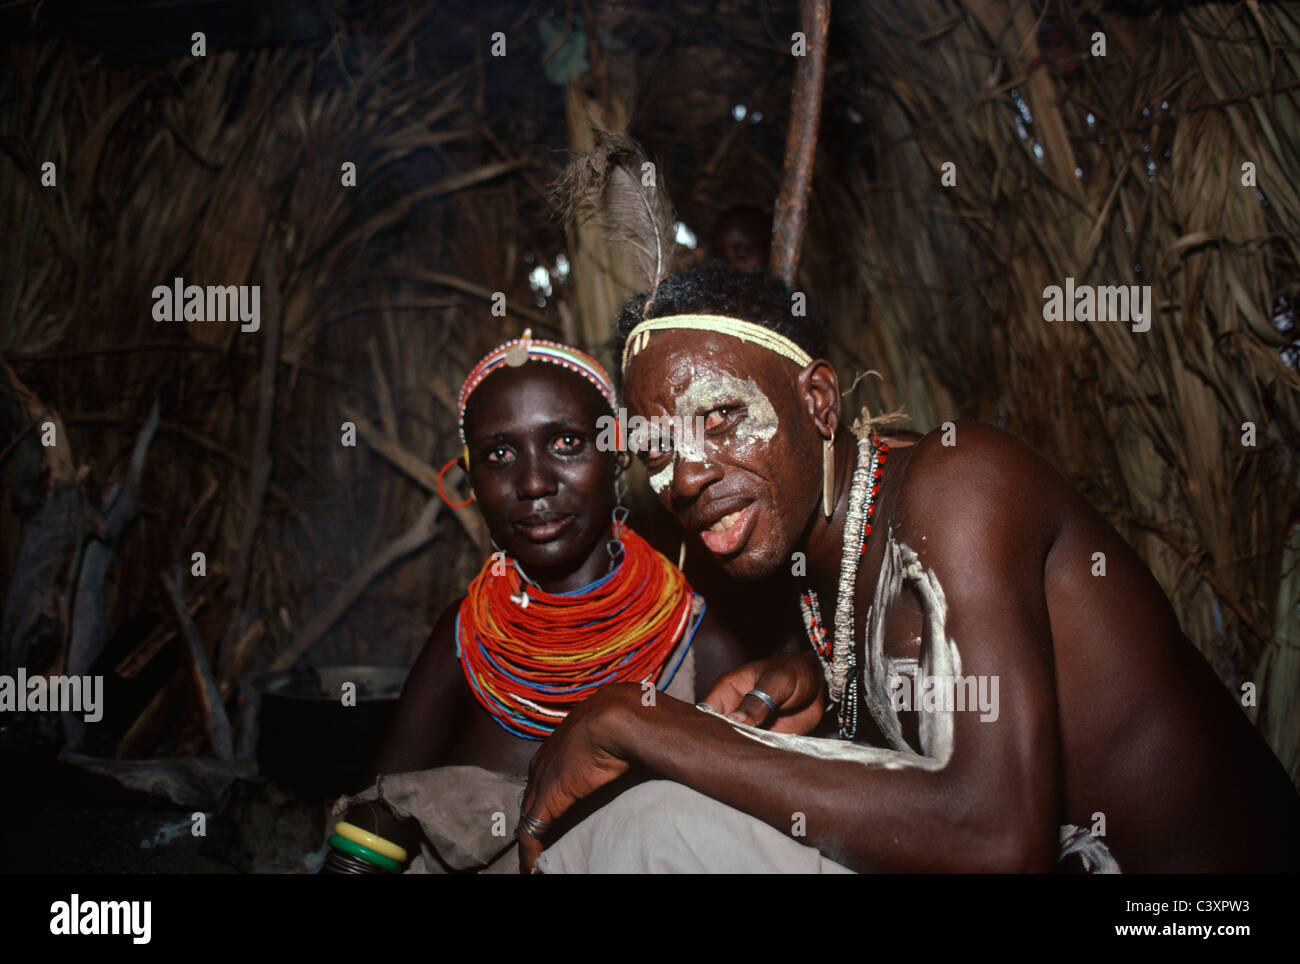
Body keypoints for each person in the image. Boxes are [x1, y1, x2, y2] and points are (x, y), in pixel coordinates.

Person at [517, 262, 1300, 873]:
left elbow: (997, 842)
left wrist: (645, 723)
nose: (684, 477)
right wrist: (818, 696)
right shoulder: (820, 571)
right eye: (656, 447)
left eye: (719, 418)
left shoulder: (961, 483)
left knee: (658, 830)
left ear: (819, 401)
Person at [323, 330, 750, 873]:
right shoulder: (465, 636)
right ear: (471, 477)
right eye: (499, 453)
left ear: (617, 453)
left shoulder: (699, 645)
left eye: (566, 443)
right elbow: (375, 817)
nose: (533, 483)